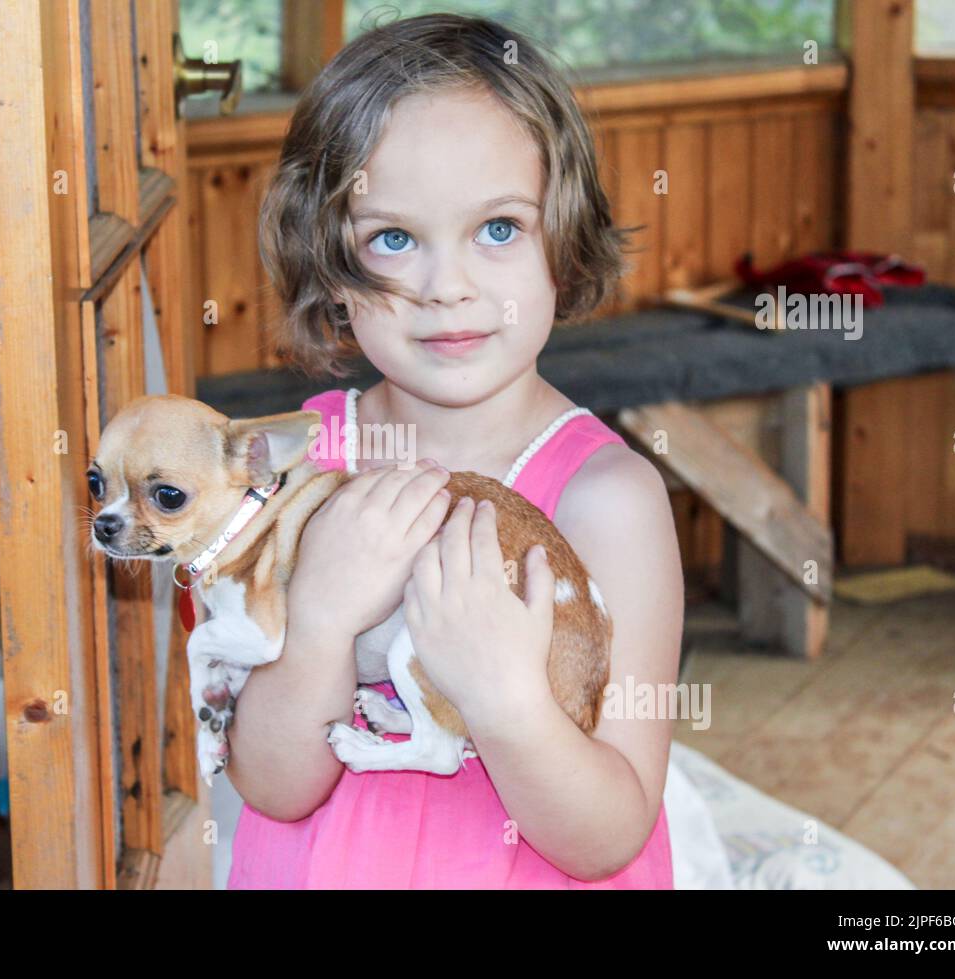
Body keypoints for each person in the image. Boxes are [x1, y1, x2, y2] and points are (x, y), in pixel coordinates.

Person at [223, 12, 683, 888]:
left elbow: (612, 833)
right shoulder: (296, 466)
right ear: (327, 261)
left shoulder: (608, 502)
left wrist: (505, 696)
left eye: (499, 228)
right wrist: (318, 622)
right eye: (393, 239)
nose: (449, 287)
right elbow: (271, 785)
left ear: (566, 230)